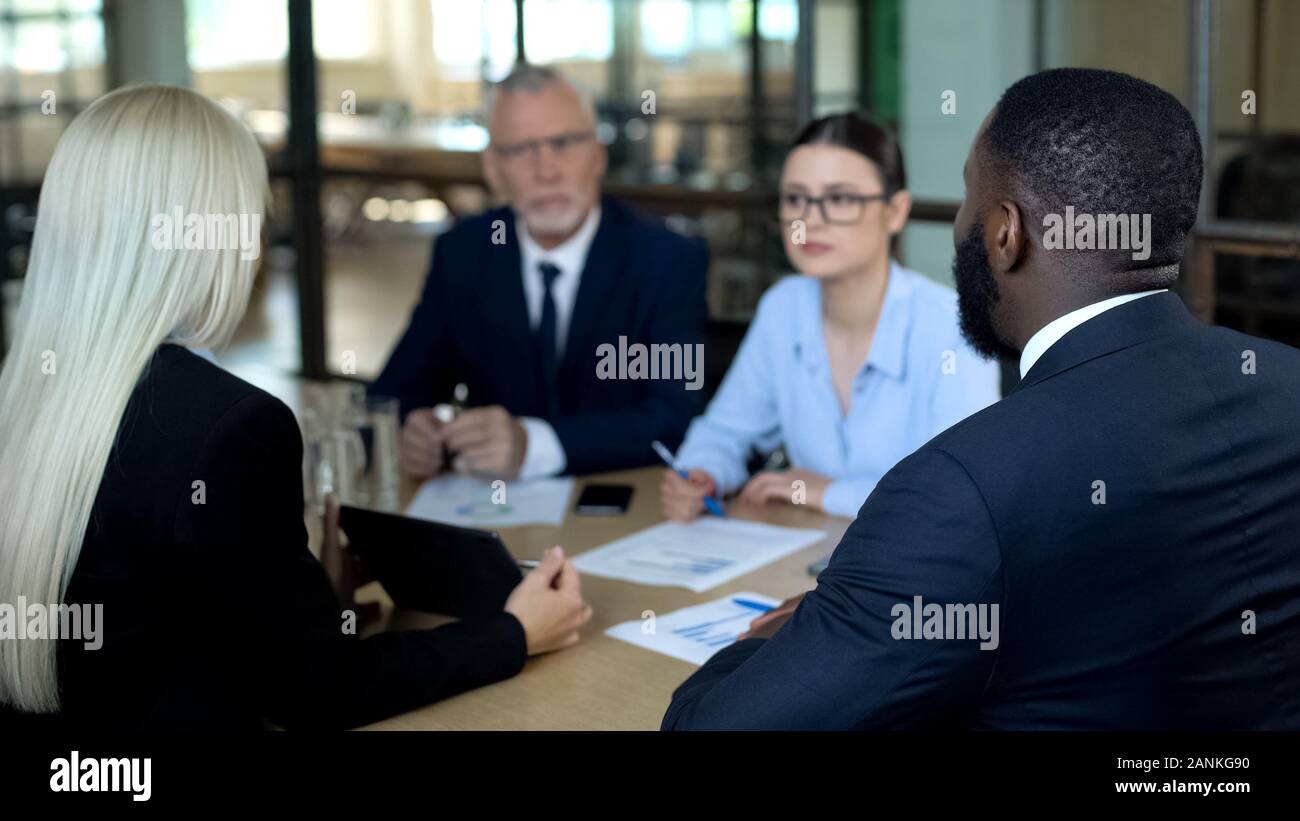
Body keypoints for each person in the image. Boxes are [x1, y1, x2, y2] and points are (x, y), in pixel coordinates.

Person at [662, 68, 1300, 730]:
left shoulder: (957, 489)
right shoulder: (1288, 387)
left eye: (970, 196)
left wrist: (771, 638)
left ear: (1005, 233)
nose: (959, 222)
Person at [0, 85, 591, 731]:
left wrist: (298, 600)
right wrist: (514, 632)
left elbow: (157, 617)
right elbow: (320, 693)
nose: (254, 246)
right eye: (251, 216)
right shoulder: (228, 426)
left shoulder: (30, 392)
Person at [371, 63, 709, 480]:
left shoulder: (666, 259)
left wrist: (532, 444)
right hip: (492, 519)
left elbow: (674, 419)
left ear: (598, 155)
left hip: (623, 513)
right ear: (493, 170)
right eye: (520, 150)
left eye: (564, 143)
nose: (546, 170)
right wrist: (411, 434)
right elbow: (389, 398)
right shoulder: (464, 253)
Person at [661, 113, 1000, 521]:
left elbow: (959, 493)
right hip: (806, 559)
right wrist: (704, 472)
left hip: (922, 571)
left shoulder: (952, 324)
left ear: (895, 211)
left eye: (840, 199)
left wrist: (833, 493)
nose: (811, 220)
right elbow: (726, 431)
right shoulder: (784, 307)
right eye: (795, 198)